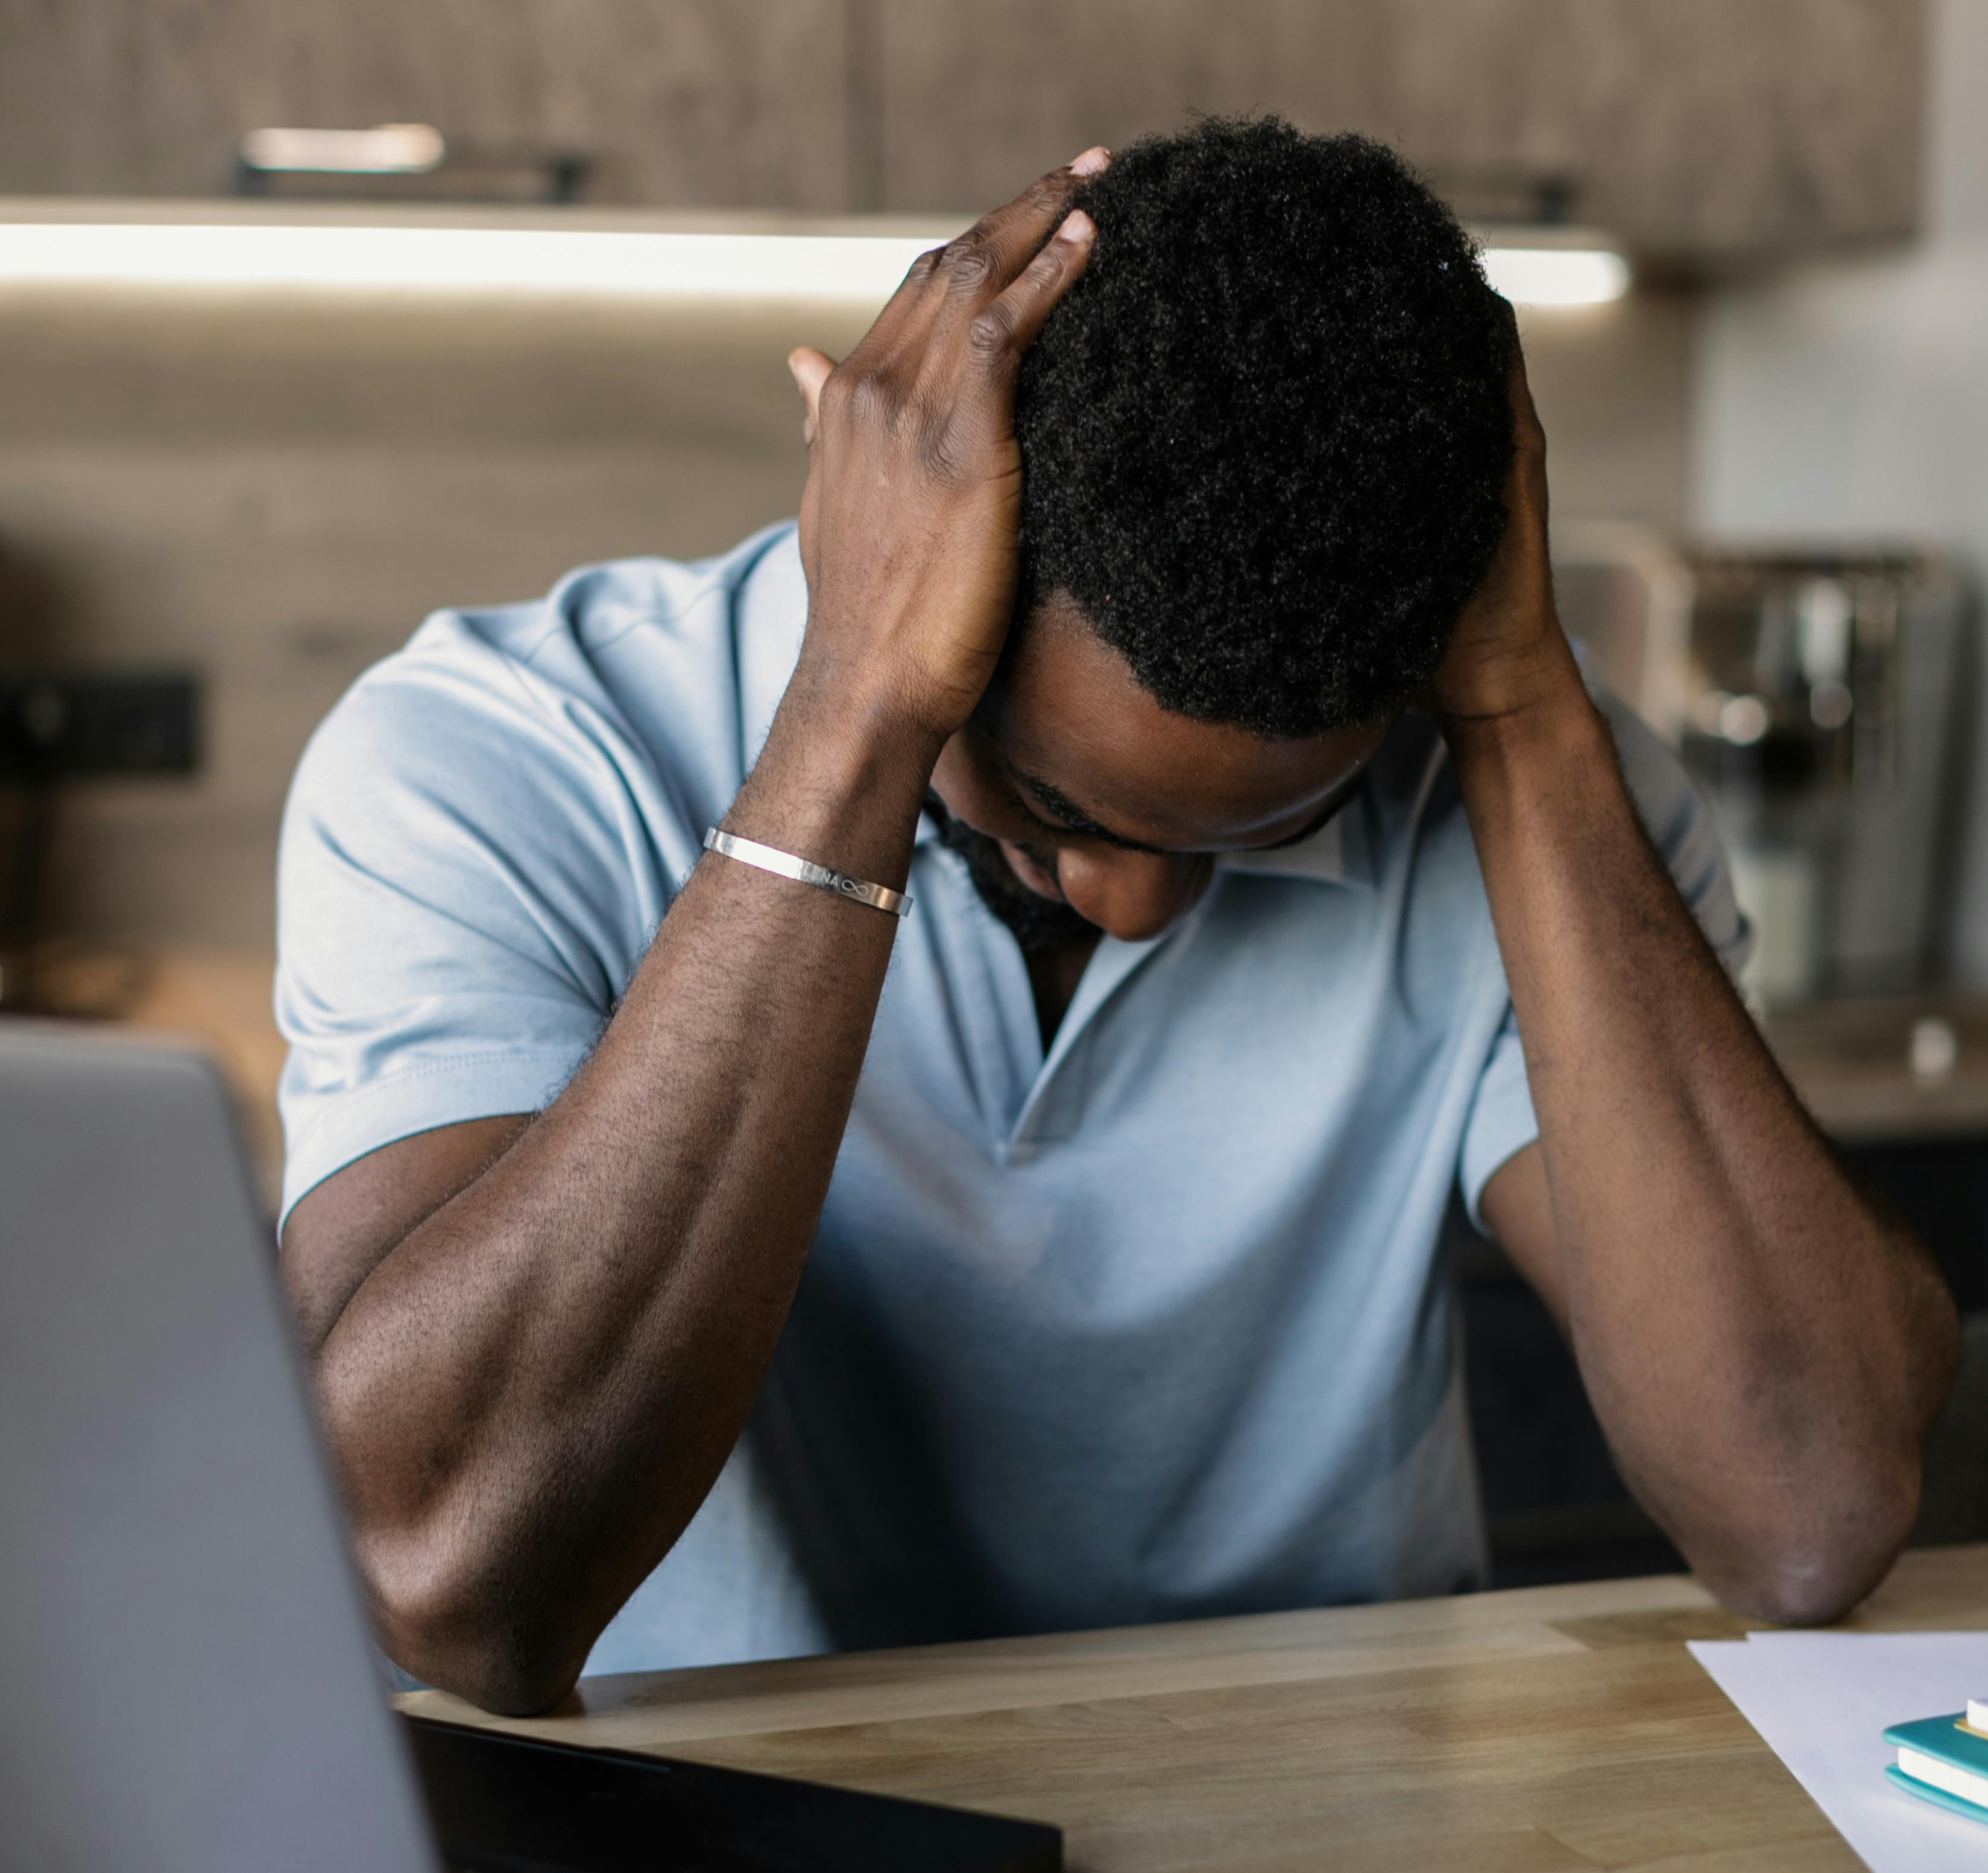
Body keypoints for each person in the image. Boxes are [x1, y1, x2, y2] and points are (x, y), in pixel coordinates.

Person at [274, 119, 1957, 1715]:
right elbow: (452, 1581)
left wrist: (1520, 708)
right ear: (886, 547)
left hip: (1331, 1855)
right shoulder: (501, 756)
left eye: (1261, 833)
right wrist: (855, 719)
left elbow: (1801, 1510)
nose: (1141, 904)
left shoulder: (1521, 785)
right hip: (720, 1830)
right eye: (1062, 810)